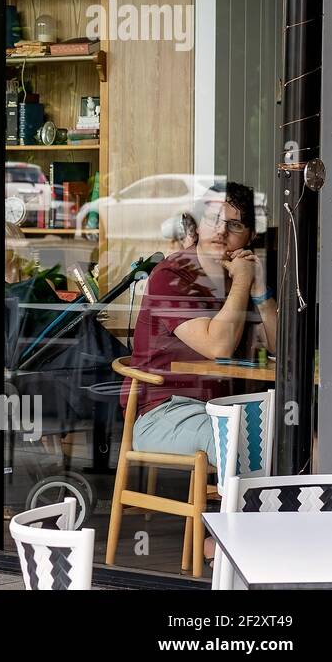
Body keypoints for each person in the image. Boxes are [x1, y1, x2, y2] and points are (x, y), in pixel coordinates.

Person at [125, 181, 277, 465]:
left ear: (250, 235)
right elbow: (217, 346)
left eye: (235, 225)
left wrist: (260, 292)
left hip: (228, 408)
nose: (221, 230)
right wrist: (243, 280)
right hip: (164, 413)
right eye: (213, 219)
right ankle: (246, 509)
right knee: (239, 440)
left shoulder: (239, 275)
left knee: (301, 434)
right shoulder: (171, 275)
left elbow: (282, 348)